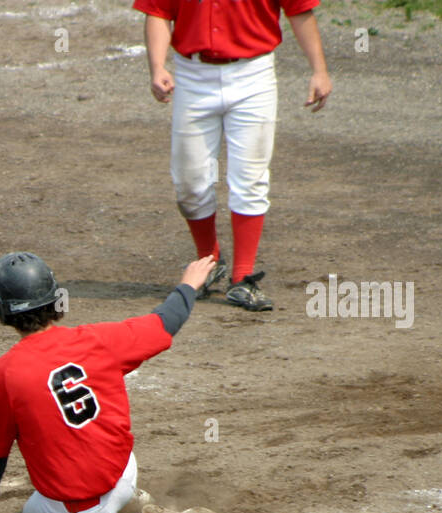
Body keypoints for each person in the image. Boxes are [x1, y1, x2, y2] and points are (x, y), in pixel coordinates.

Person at [0, 251, 215, 513]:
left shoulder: (3, 374)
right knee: (106, 459)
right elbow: (166, 320)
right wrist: (188, 285)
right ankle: (132, 498)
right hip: (123, 475)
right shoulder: (100, 340)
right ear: (55, 298)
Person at [134, 0, 332, 311]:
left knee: (250, 178)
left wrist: (319, 70)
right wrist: (157, 66)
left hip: (254, 76)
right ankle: (210, 262)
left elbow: (300, 10)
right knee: (190, 183)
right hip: (192, 75)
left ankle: (243, 278)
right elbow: (158, 11)